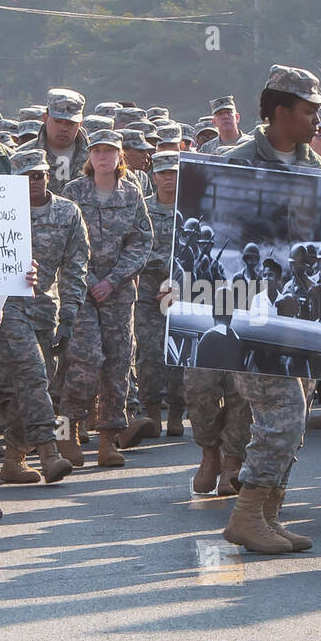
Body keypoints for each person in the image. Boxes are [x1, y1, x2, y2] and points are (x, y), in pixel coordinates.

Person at [217, 64, 321, 554]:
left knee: (296, 414)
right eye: (309, 111)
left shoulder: (316, 169)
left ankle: (268, 514)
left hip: (298, 314)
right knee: (280, 414)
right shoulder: (236, 163)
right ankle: (245, 515)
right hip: (249, 313)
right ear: (281, 110)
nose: (316, 122)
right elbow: (211, 238)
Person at [59, 129, 153, 467]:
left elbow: (142, 241)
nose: (102, 156)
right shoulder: (73, 192)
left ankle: (108, 440)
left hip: (118, 292)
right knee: (84, 362)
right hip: (80, 291)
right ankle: (65, 434)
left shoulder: (132, 193)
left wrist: (113, 280)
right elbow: (65, 242)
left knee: (117, 364)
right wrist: (88, 279)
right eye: (96, 150)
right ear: (89, 156)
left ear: (119, 156)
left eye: (109, 151)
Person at [0, 148, 86, 480]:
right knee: (33, 374)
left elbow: (75, 269)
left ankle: (14, 458)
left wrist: (69, 316)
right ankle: (49, 451)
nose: (32, 182)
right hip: (5, 307)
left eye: (37, 175)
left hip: (45, 309)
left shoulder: (67, 213)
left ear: (48, 175)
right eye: (23, 177)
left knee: (35, 382)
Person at [135, 150, 186, 437]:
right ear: (154, 176)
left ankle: (177, 411)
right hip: (146, 288)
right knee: (150, 352)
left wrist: (175, 278)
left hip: (181, 288)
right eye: (164, 173)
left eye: (174, 173)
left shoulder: (190, 209)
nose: (169, 179)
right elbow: (135, 246)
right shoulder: (142, 209)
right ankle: (151, 410)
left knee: (178, 352)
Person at [37, 89, 90, 195]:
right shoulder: (25, 156)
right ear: (45, 118)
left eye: (70, 123)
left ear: (80, 123)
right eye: (58, 121)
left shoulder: (97, 157)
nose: (64, 128)